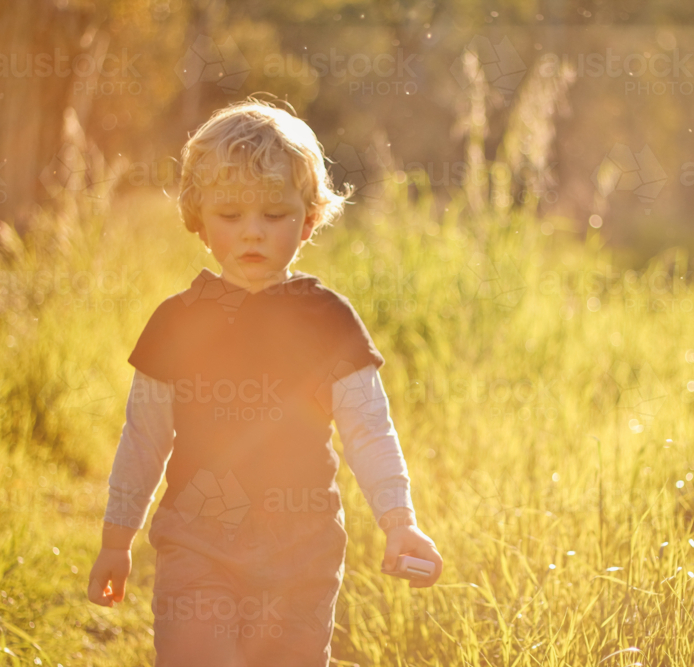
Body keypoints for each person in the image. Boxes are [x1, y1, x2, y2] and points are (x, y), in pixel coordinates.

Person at [86, 97, 442, 666]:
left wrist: (399, 523)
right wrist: (115, 541)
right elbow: (144, 438)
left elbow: (368, 429)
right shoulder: (176, 322)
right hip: (197, 543)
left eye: (273, 215)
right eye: (230, 215)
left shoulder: (328, 321)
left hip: (302, 551)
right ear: (199, 221)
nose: (252, 233)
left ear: (306, 222)